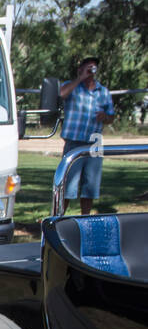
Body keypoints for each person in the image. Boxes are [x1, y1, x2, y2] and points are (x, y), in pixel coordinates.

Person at [58, 56, 116, 215]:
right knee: (68, 184)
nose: (91, 71)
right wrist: (80, 78)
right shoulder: (71, 86)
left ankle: (86, 218)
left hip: (94, 142)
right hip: (74, 141)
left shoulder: (103, 92)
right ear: (80, 69)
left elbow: (111, 117)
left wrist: (105, 117)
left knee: (90, 186)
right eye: (87, 68)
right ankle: (59, 218)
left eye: (93, 68)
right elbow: (62, 94)